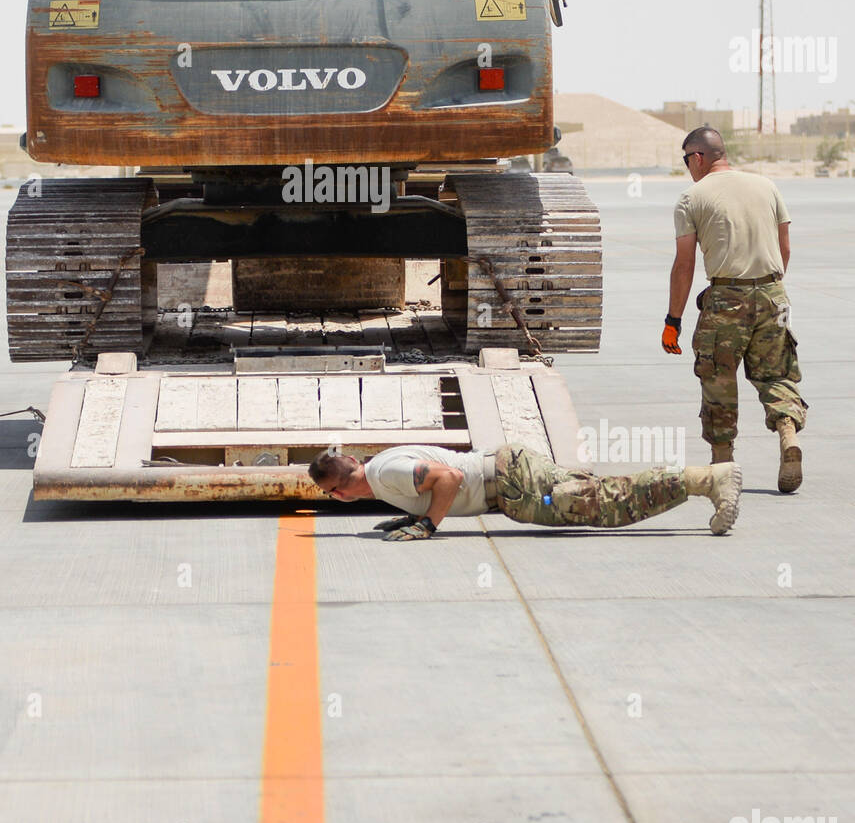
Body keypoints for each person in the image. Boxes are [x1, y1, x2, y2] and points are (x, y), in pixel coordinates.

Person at [662, 126, 806, 493]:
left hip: (727, 299)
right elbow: (784, 246)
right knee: (777, 375)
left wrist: (673, 320)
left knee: (718, 379)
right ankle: (788, 435)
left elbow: (684, 265)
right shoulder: (767, 185)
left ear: (697, 157)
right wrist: (768, 289)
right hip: (775, 295)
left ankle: (723, 467)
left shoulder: (691, 198)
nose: (687, 168)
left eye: (686, 160)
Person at [309, 440, 742, 538]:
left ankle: (708, 479)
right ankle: (705, 480)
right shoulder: (381, 471)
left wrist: (427, 523)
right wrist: (415, 512)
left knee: (610, 503)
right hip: (512, 478)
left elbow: (449, 478)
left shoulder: (384, 475)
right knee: (605, 494)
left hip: (515, 485)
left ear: (340, 492)